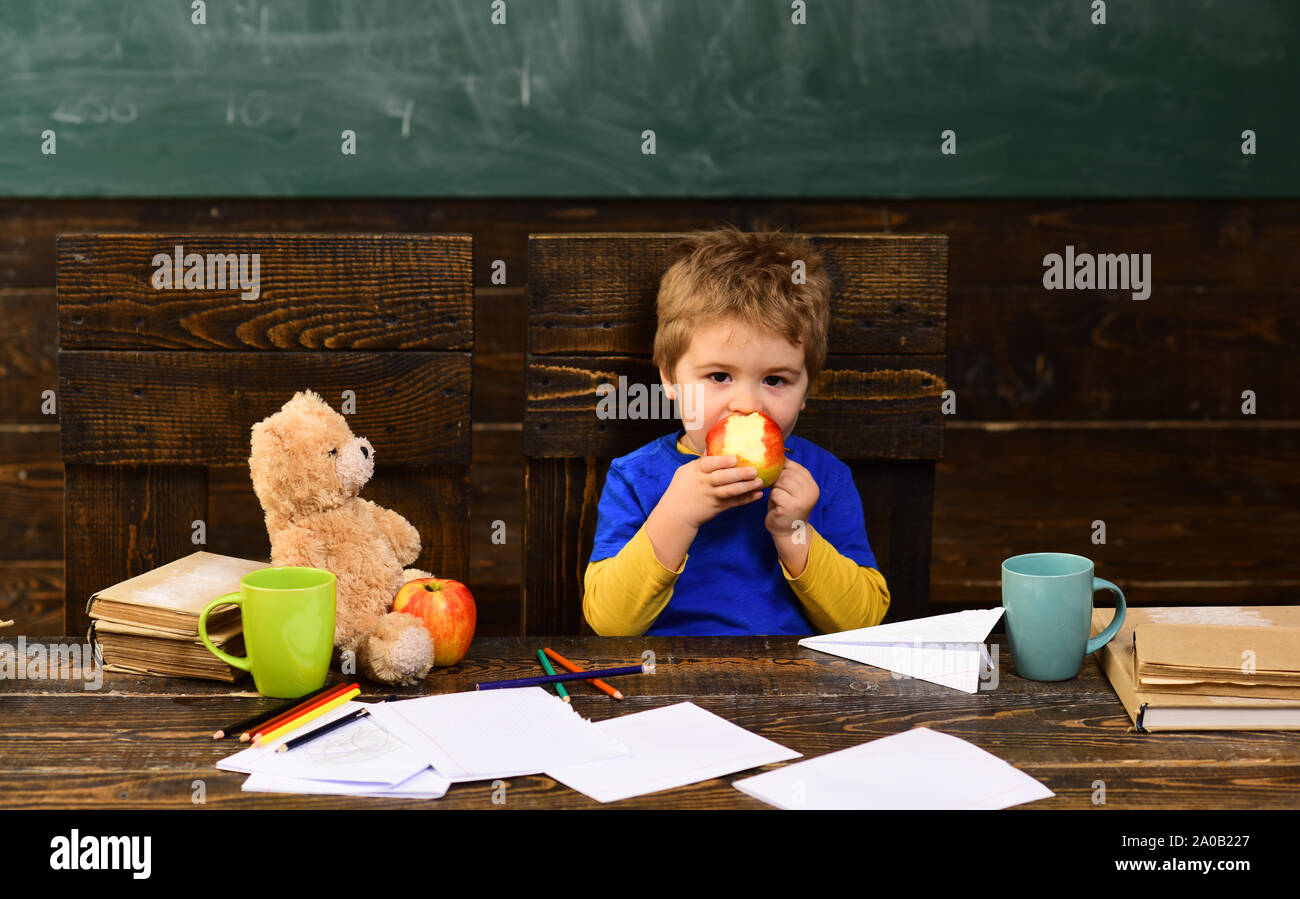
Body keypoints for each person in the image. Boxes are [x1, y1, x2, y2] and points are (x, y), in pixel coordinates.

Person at [583, 225, 890, 635]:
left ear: (806, 389)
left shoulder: (823, 477)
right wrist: (676, 515)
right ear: (670, 378)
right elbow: (609, 623)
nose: (747, 405)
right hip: (669, 681)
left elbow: (864, 621)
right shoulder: (636, 477)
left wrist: (794, 531)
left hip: (798, 686)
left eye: (776, 380)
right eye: (719, 375)